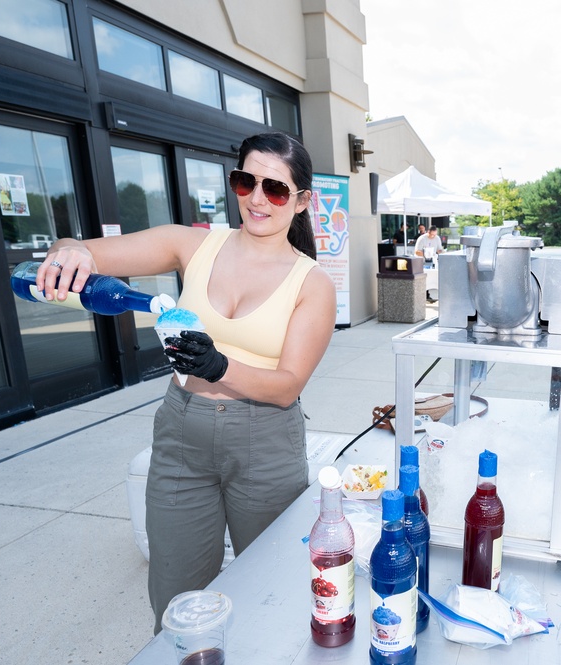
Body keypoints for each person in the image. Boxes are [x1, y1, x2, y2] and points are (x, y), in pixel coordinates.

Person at [36, 132, 337, 634]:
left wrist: (219, 367)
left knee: (271, 589)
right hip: (182, 436)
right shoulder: (192, 244)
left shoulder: (312, 283)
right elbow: (84, 248)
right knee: (176, 598)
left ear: (303, 201)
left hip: (265, 443)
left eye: (276, 189)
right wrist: (71, 253)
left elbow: (287, 386)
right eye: (246, 181)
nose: (258, 199)